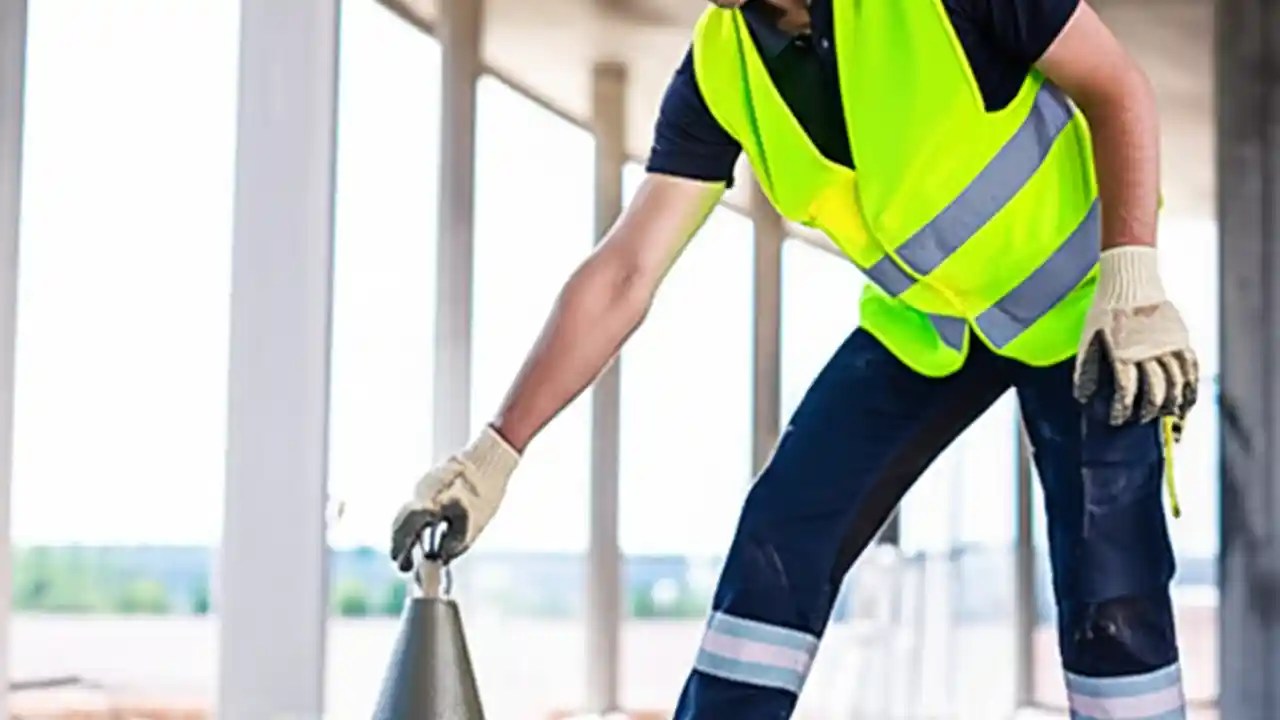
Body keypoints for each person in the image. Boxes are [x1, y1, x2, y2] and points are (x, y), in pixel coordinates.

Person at [391, 0, 1201, 716]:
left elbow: (1116, 85)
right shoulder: (723, 66)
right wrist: (495, 453)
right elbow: (624, 272)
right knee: (782, 534)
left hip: (1090, 318)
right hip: (927, 327)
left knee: (1112, 596)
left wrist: (1133, 280)